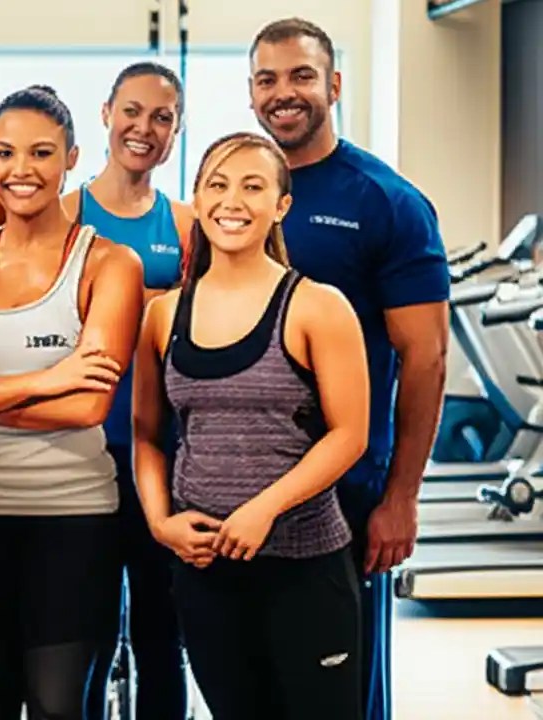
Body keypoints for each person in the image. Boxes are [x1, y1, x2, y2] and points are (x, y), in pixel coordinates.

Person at [249, 18, 451, 720]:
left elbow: (425, 357)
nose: (285, 93)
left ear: (333, 85)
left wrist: (402, 496)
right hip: (242, 490)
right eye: (268, 79)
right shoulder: (235, 197)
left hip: (349, 492)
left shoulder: (386, 202)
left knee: (342, 691)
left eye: (302, 76)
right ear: (251, 95)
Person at [131, 130, 370, 720]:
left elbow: (350, 434)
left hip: (305, 569)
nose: (231, 201)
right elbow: (145, 434)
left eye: (252, 186)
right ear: (197, 197)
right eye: (216, 185)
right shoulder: (164, 314)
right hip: (206, 571)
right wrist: (161, 523)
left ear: (280, 206)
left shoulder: (317, 305)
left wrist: (265, 508)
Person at [0, 84, 144, 720]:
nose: (21, 170)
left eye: (41, 153)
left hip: (74, 516)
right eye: (4, 153)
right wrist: (48, 379)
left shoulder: (109, 264)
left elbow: (88, 407)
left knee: (58, 706)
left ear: (71, 158)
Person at [61, 61, 193, 720]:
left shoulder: (189, 223)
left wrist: (122, 306)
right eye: (133, 111)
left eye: (163, 117)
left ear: (176, 129)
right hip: (76, 452)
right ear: (107, 112)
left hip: (155, 450)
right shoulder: (64, 214)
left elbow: (200, 327)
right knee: (83, 633)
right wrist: (150, 302)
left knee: (159, 634)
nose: (144, 128)